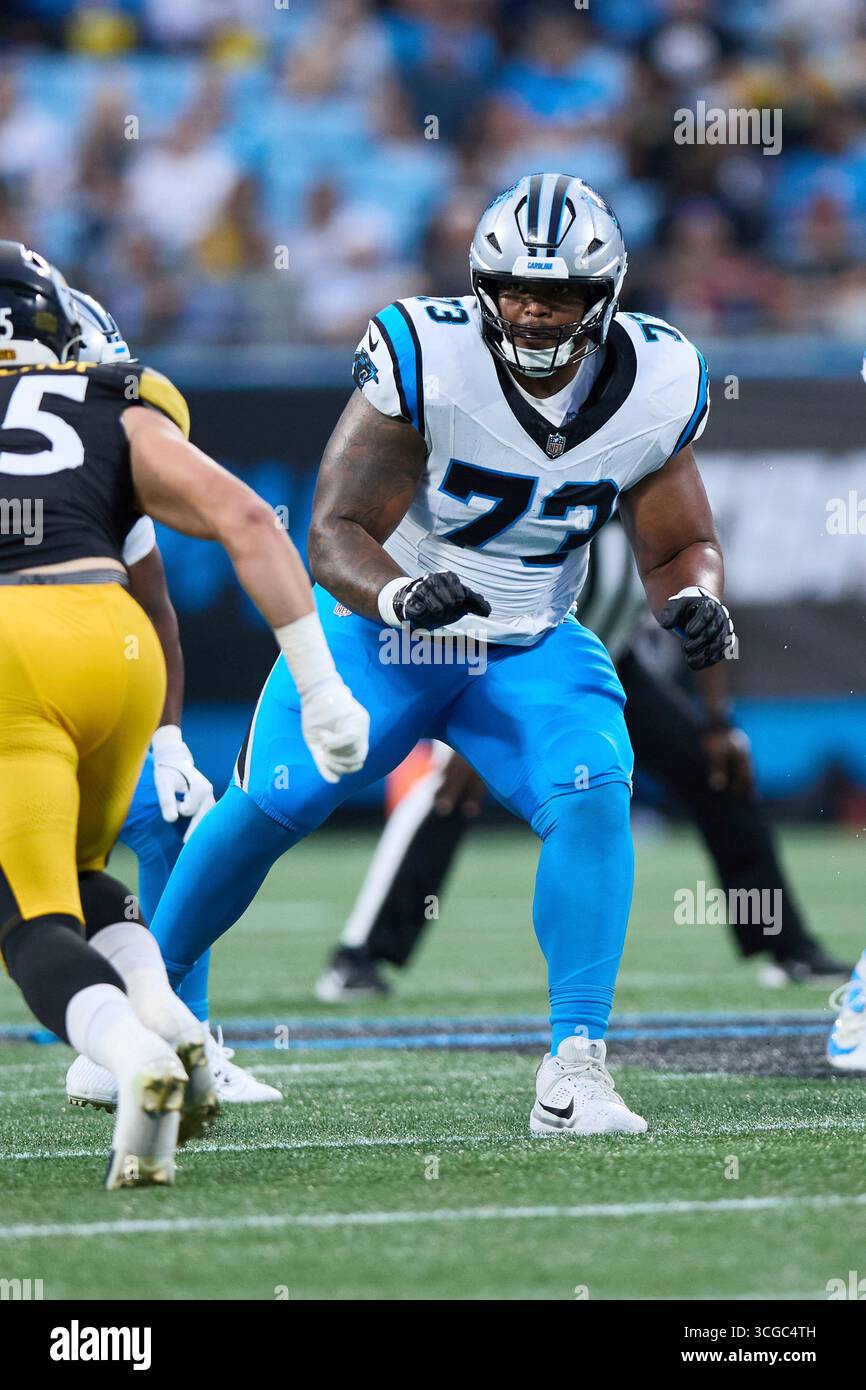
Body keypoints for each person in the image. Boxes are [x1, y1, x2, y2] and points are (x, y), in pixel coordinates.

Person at [149, 172, 735, 1137]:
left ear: (606, 298)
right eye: (513, 289)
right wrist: (399, 593)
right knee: (277, 799)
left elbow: (680, 546)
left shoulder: (659, 381)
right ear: (479, 285)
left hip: (529, 640)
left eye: (558, 295)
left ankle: (575, 1069)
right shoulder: (430, 353)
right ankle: (147, 1018)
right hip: (388, 633)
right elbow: (335, 531)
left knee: (594, 791)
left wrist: (698, 595)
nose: (532, 311)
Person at [0, 242, 368, 1186]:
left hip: (9, 650)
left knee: (27, 915)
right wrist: (321, 688)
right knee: (84, 880)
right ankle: (172, 1023)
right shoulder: (109, 401)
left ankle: (130, 1059)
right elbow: (248, 519)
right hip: (113, 642)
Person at [316, 520, 847, 1000]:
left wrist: (717, 722)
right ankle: (360, 954)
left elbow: (705, 619)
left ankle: (786, 945)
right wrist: (474, 726)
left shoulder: (651, 491)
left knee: (717, 773)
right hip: (507, 662)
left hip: (609, 665)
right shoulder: (550, 495)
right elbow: (495, 608)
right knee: (449, 787)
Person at [59, 290, 280, 1112]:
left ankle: (182, 1038)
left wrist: (168, 741)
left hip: (66, 704)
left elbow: (155, 616)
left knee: (175, 813)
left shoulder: (98, 467)